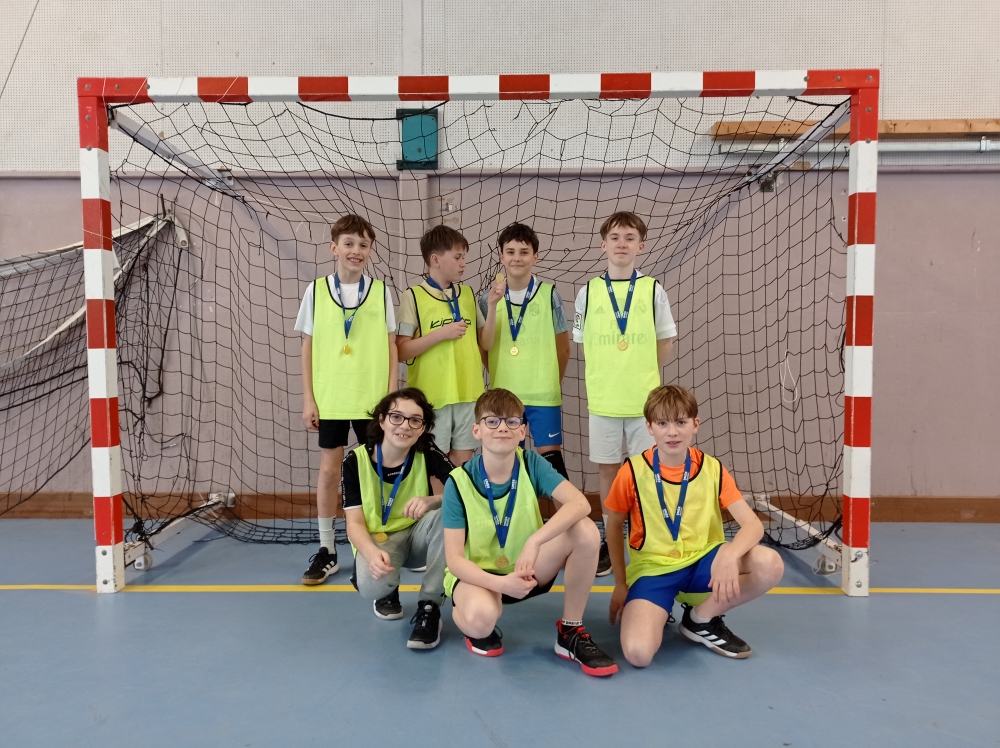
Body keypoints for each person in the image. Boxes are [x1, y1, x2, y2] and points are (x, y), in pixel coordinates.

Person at [442, 389, 619, 677]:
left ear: (523, 431)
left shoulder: (531, 463)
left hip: (527, 568)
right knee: (481, 620)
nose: (502, 427)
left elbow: (580, 503)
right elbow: (454, 560)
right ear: (476, 430)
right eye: (492, 421)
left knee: (586, 530)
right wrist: (499, 585)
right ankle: (464, 608)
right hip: (481, 577)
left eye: (512, 422)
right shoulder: (458, 482)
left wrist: (535, 541)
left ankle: (570, 632)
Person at [605, 385, 785, 666]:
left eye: (680, 422)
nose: (672, 432)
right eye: (663, 423)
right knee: (638, 654)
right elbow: (614, 525)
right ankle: (658, 610)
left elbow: (753, 525)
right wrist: (619, 582)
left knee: (770, 564)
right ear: (650, 427)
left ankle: (700, 620)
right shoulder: (632, 471)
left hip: (705, 563)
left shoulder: (712, 468)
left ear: (695, 424)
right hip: (653, 570)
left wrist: (729, 553)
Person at [572, 211, 677, 576]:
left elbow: (666, 340)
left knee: (646, 472)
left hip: (643, 403)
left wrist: (645, 375)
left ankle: (644, 536)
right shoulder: (588, 292)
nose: (621, 243)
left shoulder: (652, 289)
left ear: (640, 245)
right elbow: (583, 344)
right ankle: (610, 537)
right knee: (607, 470)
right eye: (615, 237)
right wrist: (610, 374)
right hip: (603, 399)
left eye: (629, 237)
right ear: (603, 244)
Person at [295, 214, 397, 586]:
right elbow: (307, 346)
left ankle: (377, 545)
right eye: (349, 243)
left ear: (370, 251)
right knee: (329, 472)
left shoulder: (381, 291)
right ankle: (328, 550)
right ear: (334, 247)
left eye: (363, 245)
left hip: (372, 401)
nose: (356, 251)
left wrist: (390, 399)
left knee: (377, 473)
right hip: (331, 398)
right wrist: (309, 398)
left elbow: (390, 347)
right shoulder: (316, 291)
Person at [343, 388, 454, 648]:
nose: (405, 426)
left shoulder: (426, 451)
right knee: (372, 587)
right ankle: (386, 589)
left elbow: (463, 488)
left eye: (415, 420)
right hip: (379, 541)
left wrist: (433, 500)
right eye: (396, 417)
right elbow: (354, 523)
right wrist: (369, 553)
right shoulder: (354, 461)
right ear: (381, 420)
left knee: (446, 514)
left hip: (418, 534)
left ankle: (430, 605)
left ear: (422, 427)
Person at [478, 222, 571, 481]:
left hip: (543, 394)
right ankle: (515, 518)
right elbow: (484, 349)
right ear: (501, 256)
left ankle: (566, 519)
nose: (516, 258)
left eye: (523, 251)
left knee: (550, 462)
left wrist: (551, 381)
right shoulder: (488, 300)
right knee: (507, 461)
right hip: (505, 395)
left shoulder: (549, 294)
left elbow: (563, 349)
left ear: (535, 256)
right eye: (510, 251)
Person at [396, 225, 484, 467]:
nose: (463, 263)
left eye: (464, 257)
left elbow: (485, 342)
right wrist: (440, 334)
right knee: (435, 463)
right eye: (457, 257)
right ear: (435, 259)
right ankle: (435, 507)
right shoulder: (412, 296)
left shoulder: (467, 294)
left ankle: (452, 506)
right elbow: (401, 351)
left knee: (463, 460)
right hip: (433, 396)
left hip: (468, 393)